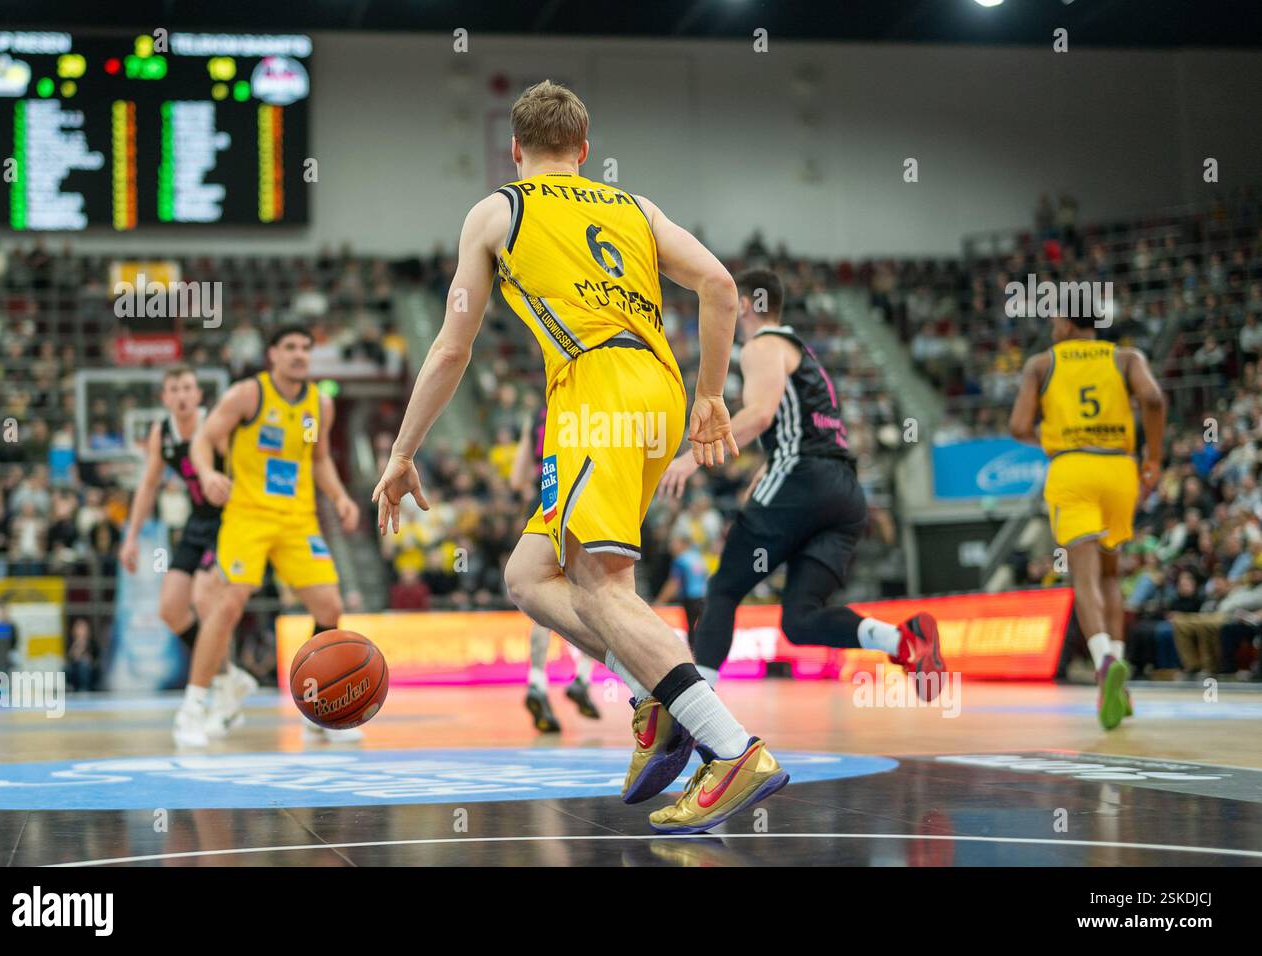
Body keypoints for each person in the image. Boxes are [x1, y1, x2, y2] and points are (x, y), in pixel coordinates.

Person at [373, 80, 786, 833]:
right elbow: (722, 287)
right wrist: (710, 395)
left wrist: (403, 451)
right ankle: (653, 700)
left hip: (596, 387)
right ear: (586, 152)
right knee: (529, 575)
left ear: (515, 148)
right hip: (659, 388)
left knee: (600, 588)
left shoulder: (498, 210)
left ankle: (731, 749)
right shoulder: (633, 206)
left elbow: (453, 345)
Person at [658, 269, 944, 695]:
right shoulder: (802, 352)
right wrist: (767, 469)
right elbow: (810, 428)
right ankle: (904, 638)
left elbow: (760, 415)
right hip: (843, 494)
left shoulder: (762, 345)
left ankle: (700, 711)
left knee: (723, 588)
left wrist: (692, 457)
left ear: (748, 306)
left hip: (803, 481)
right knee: (800, 619)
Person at [175, 326, 361, 746]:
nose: (299, 355)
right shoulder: (248, 396)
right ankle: (193, 707)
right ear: (272, 354)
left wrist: (340, 497)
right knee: (228, 603)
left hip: (298, 519)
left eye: (305, 348)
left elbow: (317, 458)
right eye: (290, 348)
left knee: (329, 604)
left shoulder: (318, 406)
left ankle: (318, 709)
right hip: (248, 515)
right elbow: (202, 441)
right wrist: (206, 474)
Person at [1010, 314, 1166, 729]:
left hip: (1073, 469)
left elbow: (1019, 426)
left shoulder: (1041, 364)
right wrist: (1153, 457)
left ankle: (1103, 665)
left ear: (1064, 325)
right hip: (1119, 469)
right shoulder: (1126, 358)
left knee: (1084, 578)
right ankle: (1120, 674)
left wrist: (1057, 433)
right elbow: (1154, 400)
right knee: (1112, 574)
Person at [119, 366, 255, 716]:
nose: (181, 395)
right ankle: (228, 674)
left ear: (198, 395)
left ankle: (218, 692)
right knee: (171, 610)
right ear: (165, 398)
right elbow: (149, 486)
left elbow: (246, 470)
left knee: (206, 597)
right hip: (197, 521)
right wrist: (131, 537)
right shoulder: (161, 433)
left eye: (188, 388)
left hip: (230, 520)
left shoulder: (216, 426)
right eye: (174, 389)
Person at [509, 401, 599, 732]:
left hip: (543, 504)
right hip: (580, 501)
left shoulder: (534, 414)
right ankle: (583, 678)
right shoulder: (584, 401)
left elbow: (517, 478)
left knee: (541, 601)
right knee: (593, 596)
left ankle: (536, 682)